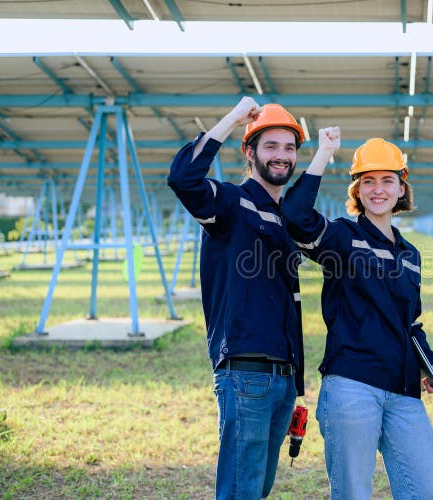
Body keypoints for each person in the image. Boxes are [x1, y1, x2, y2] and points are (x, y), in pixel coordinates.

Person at [282, 136, 433, 500]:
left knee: (431, 492)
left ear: (401, 187)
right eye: (367, 181)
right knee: (353, 494)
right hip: (352, 387)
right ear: (356, 189)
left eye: (387, 180)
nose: (378, 190)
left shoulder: (411, 254)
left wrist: (427, 363)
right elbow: (294, 216)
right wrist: (325, 153)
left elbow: (411, 322)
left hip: (404, 391)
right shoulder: (344, 237)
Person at [168, 97, 320, 499]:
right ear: (249, 151)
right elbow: (183, 178)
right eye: (271, 146)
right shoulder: (230, 204)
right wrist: (234, 119)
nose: (282, 156)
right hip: (246, 372)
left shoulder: (285, 220)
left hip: (283, 378)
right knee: (241, 491)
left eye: (290, 148)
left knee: (258, 488)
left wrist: (297, 384)